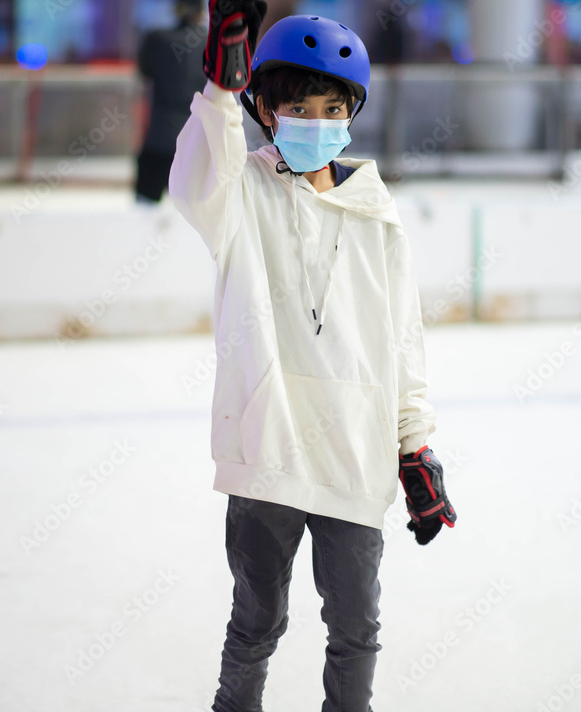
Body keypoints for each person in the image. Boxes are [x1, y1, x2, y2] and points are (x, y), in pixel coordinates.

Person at [169, 3, 458, 711]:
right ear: (266, 108)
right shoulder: (241, 196)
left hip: (354, 457)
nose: (317, 121)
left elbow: (402, 338)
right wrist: (217, 92)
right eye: (299, 105)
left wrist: (414, 447)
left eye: (333, 107)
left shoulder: (378, 217)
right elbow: (195, 179)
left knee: (356, 628)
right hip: (269, 448)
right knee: (256, 622)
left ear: (352, 112)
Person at [134, 0, 206, 203]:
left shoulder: (156, 39)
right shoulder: (210, 43)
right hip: (196, 144)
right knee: (197, 216)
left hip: (159, 140)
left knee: (144, 210)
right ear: (202, 12)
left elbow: (144, 71)